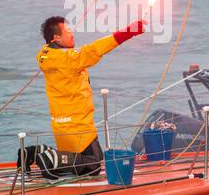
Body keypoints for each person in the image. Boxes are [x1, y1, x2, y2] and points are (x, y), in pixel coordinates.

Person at [37, 15, 146, 175]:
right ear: (56, 38)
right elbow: (95, 49)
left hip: (61, 126)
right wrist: (130, 31)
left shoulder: (45, 55)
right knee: (94, 164)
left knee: (79, 167)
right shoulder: (69, 59)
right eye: (68, 31)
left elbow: (71, 54)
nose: (72, 34)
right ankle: (49, 158)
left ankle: (38, 152)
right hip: (78, 126)